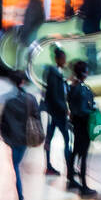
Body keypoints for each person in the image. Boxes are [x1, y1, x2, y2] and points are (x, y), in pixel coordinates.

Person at [0, 71, 39, 200]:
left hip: (13, 139)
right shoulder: (30, 99)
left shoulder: (6, 99)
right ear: (22, 82)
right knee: (17, 165)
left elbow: (1, 122)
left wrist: (5, 137)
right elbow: (36, 117)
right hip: (26, 138)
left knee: (15, 167)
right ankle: (20, 198)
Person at [66, 60, 97, 196]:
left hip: (76, 124)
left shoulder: (72, 86)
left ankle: (71, 179)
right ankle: (84, 186)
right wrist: (93, 110)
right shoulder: (84, 89)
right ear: (85, 73)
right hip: (84, 125)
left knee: (75, 151)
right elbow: (85, 109)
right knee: (83, 155)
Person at [42, 48, 71, 178]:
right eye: (63, 58)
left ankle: (51, 166)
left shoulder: (56, 73)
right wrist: (64, 109)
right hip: (56, 113)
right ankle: (65, 167)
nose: (65, 61)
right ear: (58, 59)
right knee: (65, 138)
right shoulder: (53, 74)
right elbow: (54, 95)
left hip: (55, 112)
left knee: (52, 139)